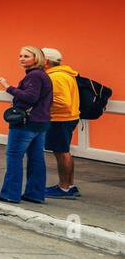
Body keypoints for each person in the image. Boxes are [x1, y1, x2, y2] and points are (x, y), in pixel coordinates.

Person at [0, 46, 53, 204]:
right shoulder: (42, 75)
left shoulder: (34, 76)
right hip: (41, 123)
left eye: (26, 56)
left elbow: (30, 97)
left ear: (36, 58)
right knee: (36, 158)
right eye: (20, 56)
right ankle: (35, 194)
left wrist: (8, 87)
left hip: (26, 124)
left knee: (14, 156)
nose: (22, 58)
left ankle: (10, 194)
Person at [42, 48, 81, 199]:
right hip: (68, 117)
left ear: (46, 61)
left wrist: (41, 107)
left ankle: (64, 187)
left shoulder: (56, 77)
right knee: (64, 151)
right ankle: (69, 185)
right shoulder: (64, 73)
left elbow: (62, 102)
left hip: (60, 119)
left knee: (61, 152)